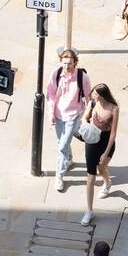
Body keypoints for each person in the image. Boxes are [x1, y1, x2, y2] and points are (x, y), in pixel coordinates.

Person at [46, 46, 91, 193]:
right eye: (64, 63)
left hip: (73, 115)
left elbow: (88, 97)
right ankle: (69, 158)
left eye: (69, 63)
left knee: (62, 146)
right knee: (62, 142)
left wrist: (87, 116)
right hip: (58, 114)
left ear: (75, 62)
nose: (66, 66)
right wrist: (51, 113)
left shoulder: (82, 77)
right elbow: (51, 94)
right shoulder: (56, 73)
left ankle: (59, 176)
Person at [80, 84, 120, 226]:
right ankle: (89, 210)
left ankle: (107, 182)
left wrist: (106, 152)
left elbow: (113, 133)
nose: (92, 95)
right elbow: (84, 117)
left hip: (105, 141)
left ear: (102, 96)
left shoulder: (114, 108)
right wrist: (87, 124)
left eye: (95, 93)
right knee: (91, 175)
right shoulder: (92, 103)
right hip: (92, 139)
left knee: (102, 169)